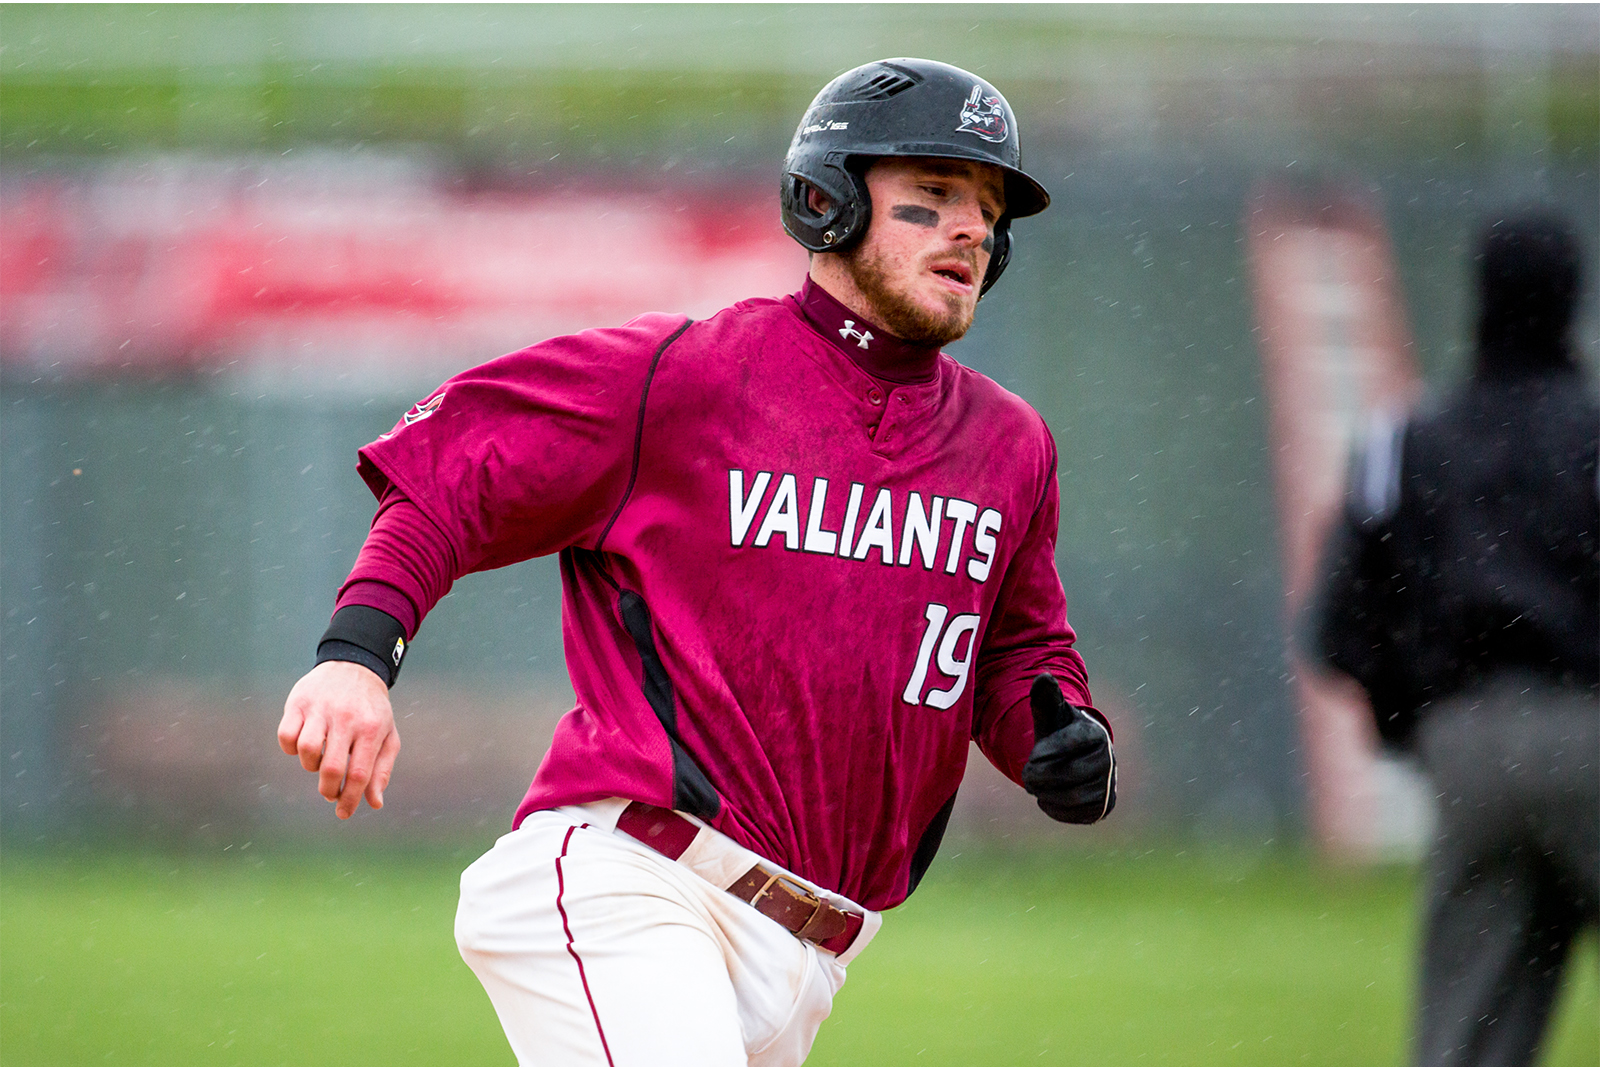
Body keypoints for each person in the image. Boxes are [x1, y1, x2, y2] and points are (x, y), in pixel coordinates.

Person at [276, 58, 1116, 1067]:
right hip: (629, 883)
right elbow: (453, 473)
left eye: (986, 210)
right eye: (930, 198)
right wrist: (355, 655)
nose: (971, 229)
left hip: (811, 953)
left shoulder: (1008, 444)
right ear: (827, 201)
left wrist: (1057, 739)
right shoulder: (688, 378)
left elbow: (1018, 657)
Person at [1312, 213, 1598, 1067]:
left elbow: (1340, 624)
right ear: (1571, 300)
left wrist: (1418, 722)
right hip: (1592, 725)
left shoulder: (1406, 444)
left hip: (1467, 744)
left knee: (1469, 1034)